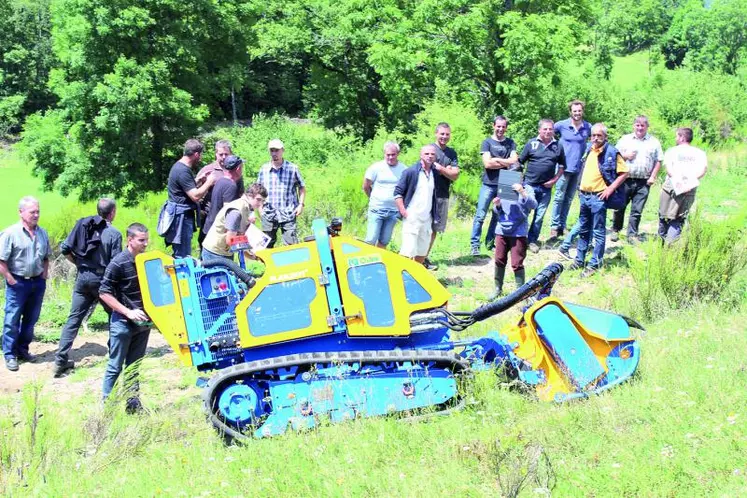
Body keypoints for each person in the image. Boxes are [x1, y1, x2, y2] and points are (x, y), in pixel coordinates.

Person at [53, 198, 122, 377]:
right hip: (102, 279)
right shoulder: (114, 233)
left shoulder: (82, 226)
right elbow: (116, 264)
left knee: (73, 319)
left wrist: (78, 263)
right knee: (115, 314)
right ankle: (114, 353)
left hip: (82, 277)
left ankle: (60, 360)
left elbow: (65, 249)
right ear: (112, 212)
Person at [99, 223, 151, 413]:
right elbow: (104, 293)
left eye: (147, 239)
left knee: (134, 366)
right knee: (115, 367)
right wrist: (127, 312)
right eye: (141, 240)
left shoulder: (146, 262)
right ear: (130, 240)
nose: (146, 244)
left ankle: (132, 405)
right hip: (122, 324)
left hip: (143, 324)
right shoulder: (118, 263)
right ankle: (107, 408)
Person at [570, 123, 629, 277]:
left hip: (598, 198)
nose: (595, 138)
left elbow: (624, 173)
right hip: (584, 196)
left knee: (598, 232)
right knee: (583, 230)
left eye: (599, 135)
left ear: (605, 137)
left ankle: (594, 264)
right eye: (593, 135)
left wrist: (610, 189)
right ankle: (579, 260)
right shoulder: (588, 149)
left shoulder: (612, 152)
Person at [0, 197, 51, 372]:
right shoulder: (10, 233)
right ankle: (9, 354)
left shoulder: (42, 233)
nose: (36, 215)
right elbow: (1, 260)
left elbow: (46, 257)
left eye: (38, 211)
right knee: (12, 319)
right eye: (32, 212)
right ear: (21, 212)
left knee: (31, 320)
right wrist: (11, 279)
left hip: (37, 283)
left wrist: (44, 275)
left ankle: (23, 350)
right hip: (18, 282)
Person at [470, 116, 519, 256]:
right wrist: (506, 162)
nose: (500, 129)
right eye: (498, 126)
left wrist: (496, 159)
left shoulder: (511, 143)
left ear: (506, 128)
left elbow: (514, 161)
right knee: (480, 215)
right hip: (489, 183)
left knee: (498, 215)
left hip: (507, 181)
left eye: (503, 127)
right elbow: (487, 164)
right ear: (493, 126)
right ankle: (474, 245)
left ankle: (490, 242)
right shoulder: (487, 142)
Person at [160, 139, 216, 258]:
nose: (200, 158)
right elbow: (195, 196)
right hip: (181, 217)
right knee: (183, 255)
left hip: (181, 216)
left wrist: (199, 180)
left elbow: (183, 189)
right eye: (200, 155)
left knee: (182, 252)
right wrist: (209, 182)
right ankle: (182, 276)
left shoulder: (179, 167)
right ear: (196, 154)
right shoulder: (183, 171)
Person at [611, 115, 663, 242]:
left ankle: (632, 235)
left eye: (642, 125)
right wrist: (625, 156)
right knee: (619, 206)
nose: (640, 128)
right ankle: (615, 230)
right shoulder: (625, 139)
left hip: (644, 181)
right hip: (625, 180)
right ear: (634, 126)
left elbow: (659, 160)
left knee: (637, 210)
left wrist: (653, 177)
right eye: (637, 125)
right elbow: (614, 155)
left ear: (647, 127)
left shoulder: (654, 142)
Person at [518, 119, 567, 253]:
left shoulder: (558, 146)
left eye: (550, 129)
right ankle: (519, 240)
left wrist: (555, 180)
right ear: (539, 130)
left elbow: (563, 166)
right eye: (545, 129)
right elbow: (519, 163)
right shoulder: (531, 144)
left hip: (546, 188)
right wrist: (520, 182)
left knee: (539, 216)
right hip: (529, 186)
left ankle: (532, 240)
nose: (547, 131)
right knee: (524, 213)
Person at [487, 183, 537, 300]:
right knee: (499, 260)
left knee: (517, 263)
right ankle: (497, 289)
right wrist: (497, 205)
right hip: (502, 230)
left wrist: (522, 192)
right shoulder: (504, 185)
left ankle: (520, 294)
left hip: (519, 231)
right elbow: (497, 211)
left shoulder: (528, 189)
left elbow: (534, 205)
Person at [550, 100, 591, 239]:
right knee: (558, 197)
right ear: (570, 112)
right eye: (575, 111)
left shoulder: (587, 127)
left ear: (582, 111)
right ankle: (554, 227)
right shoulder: (561, 125)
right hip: (562, 168)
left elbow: (594, 142)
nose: (577, 113)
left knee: (568, 199)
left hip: (578, 169)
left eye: (579, 111)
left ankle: (562, 225)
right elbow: (548, 134)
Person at [658, 128, 707, 244]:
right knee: (679, 218)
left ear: (682, 138)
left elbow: (669, 170)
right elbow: (703, 170)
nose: (676, 139)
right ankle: (670, 248)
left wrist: (679, 183)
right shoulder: (700, 153)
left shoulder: (672, 151)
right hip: (689, 188)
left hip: (671, 187)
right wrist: (689, 183)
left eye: (677, 136)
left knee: (664, 216)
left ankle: (662, 245)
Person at [394, 145, 439, 264]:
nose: (430, 156)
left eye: (432, 154)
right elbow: (397, 193)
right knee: (407, 252)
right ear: (421, 155)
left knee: (422, 252)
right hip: (412, 217)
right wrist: (404, 211)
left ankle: (414, 279)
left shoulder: (435, 173)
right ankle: (401, 278)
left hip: (427, 218)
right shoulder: (411, 172)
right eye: (427, 154)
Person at [257, 139, 306, 248]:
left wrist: (300, 205)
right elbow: (258, 191)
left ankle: (292, 265)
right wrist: (260, 209)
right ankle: (267, 265)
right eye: (272, 150)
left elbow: (302, 187)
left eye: (277, 150)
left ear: (282, 150)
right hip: (269, 213)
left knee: (291, 245)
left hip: (288, 212)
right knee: (266, 246)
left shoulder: (292, 168)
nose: (274, 153)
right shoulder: (264, 169)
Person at [202, 183, 268, 262]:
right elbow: (230, 240)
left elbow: (238, 233)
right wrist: (249, 254)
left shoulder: (246, 208)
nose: (260, 204)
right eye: (258, 199)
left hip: (225, 252)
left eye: (263, 201)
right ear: (249, 195)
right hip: (215, 253)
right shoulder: (236, 211)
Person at [425, 123, 460, 270]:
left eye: (447, 134)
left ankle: (424, 258)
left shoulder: (452, 153)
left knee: (434, 229)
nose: (444, 137)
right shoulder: (429, 150)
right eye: (442, 134)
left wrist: (441, 169)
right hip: (426, 195)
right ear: (436, 134)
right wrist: (448, 170)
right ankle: (413, 257)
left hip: (442, 195)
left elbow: (455, 175)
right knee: (421, 227)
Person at [196, 140, 243, 244]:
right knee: (206, 244)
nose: (223, 157)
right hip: (209, 215)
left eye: (226, 154)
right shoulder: (208, 170)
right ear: (216, 154)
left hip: (228, 216)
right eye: (220, 154)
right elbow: (195, 192)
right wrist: (203, 181)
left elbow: (240, 193)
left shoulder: (236, 171)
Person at [362, 141, 406, 248]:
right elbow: (366, 186)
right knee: (370, 239)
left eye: (393, 154)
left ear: (398, 154)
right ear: (384, 154)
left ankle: (379, 261)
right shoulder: (376, 167)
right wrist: (373, 198)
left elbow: (406, 189)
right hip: (376, 209)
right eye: (388, 155)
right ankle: (367, 262)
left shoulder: (404, 169)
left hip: (393, 211)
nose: (390, 157)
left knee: (384, 240)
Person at [201, 155, 244, 238]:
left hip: (209, 226)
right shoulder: (231, 185)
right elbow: (228, 213)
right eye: (242, 168)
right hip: (217, 231)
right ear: (238, 169)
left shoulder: (221, 180)